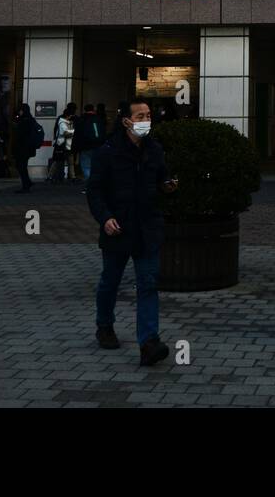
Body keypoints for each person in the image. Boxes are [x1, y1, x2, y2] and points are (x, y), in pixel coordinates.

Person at [86, 99, 175, 365]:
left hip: (147, 228)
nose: (146, 120)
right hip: (118, 228)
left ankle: (149, 342)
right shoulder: (108, 152)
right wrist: (105, 218)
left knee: (148, 283)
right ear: (126, 121)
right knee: (110, 281)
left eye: (148, 115)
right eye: (140, 116)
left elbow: (162, 178)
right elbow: (95, 191)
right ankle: (104, 325)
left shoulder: (155, 149)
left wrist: (168, 185)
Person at [13, 103, 41, 194]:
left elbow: (20, 135)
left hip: (23, 148)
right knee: (22, 166)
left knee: (21, 166)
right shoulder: (31, 120)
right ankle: (27, 182)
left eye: (20, 110)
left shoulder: (24, 121)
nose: (19, 112)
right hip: (29, 148)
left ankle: (26, 185)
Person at [73, 104, 104, 181]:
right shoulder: (98, 119)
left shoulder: (81, 119)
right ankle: (95, 182)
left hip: (85, 146)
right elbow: (103, 132)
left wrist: (76, 146)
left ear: (85, 110)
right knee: (97, 165)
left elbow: (77, 134)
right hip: (98, 145)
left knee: (86, 165)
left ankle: (89, 182)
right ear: (93, 109)